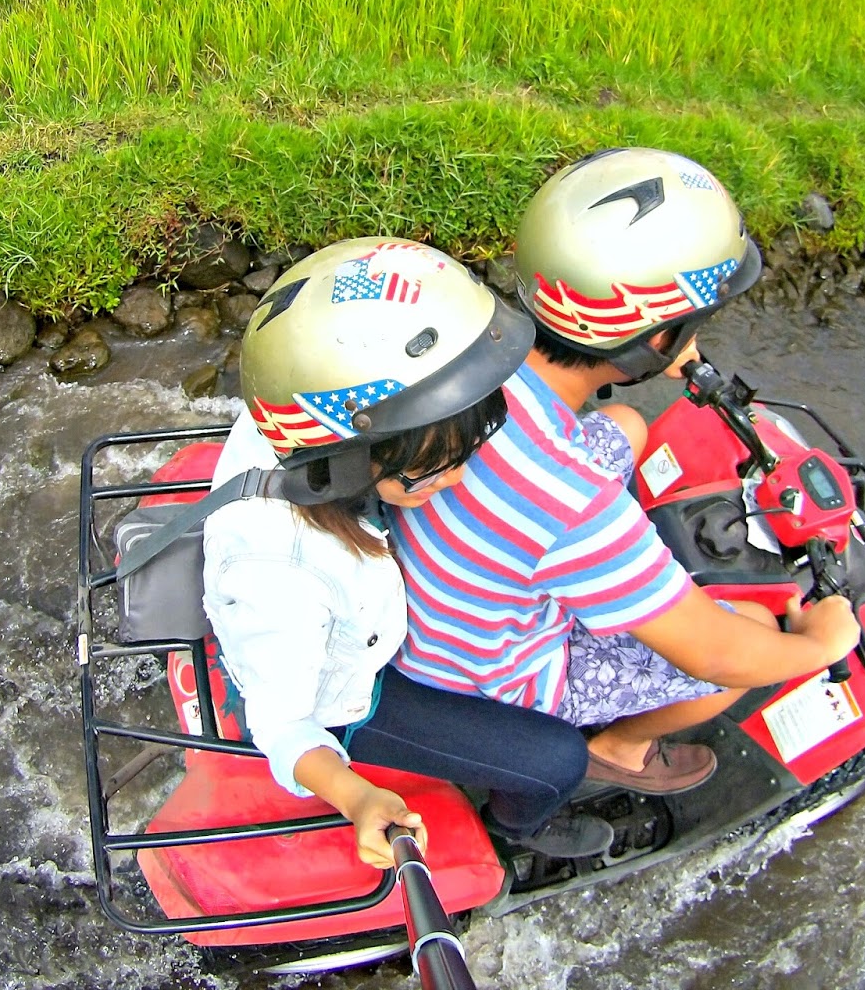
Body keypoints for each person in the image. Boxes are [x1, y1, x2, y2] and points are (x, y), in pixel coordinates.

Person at [387, 148, 863, 792]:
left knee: (632, 427)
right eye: (687, 327)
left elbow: (564, 476)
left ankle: (599, 585)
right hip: (497, 671)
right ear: (653, 337)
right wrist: (821, 644)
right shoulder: (573, 497)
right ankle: (623, 749)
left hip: (440, 584)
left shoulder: (467, 353)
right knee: (752, 630)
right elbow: (715, 651)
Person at [202, 237, 615, 871]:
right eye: (439, 466)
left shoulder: (303, 403)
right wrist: (357, 797)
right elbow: (284, 725)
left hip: (355, 604)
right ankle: (516, 829)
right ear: (346, 463)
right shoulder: (278, 572)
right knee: (558, 761)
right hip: (348, 698)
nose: (460, 477)